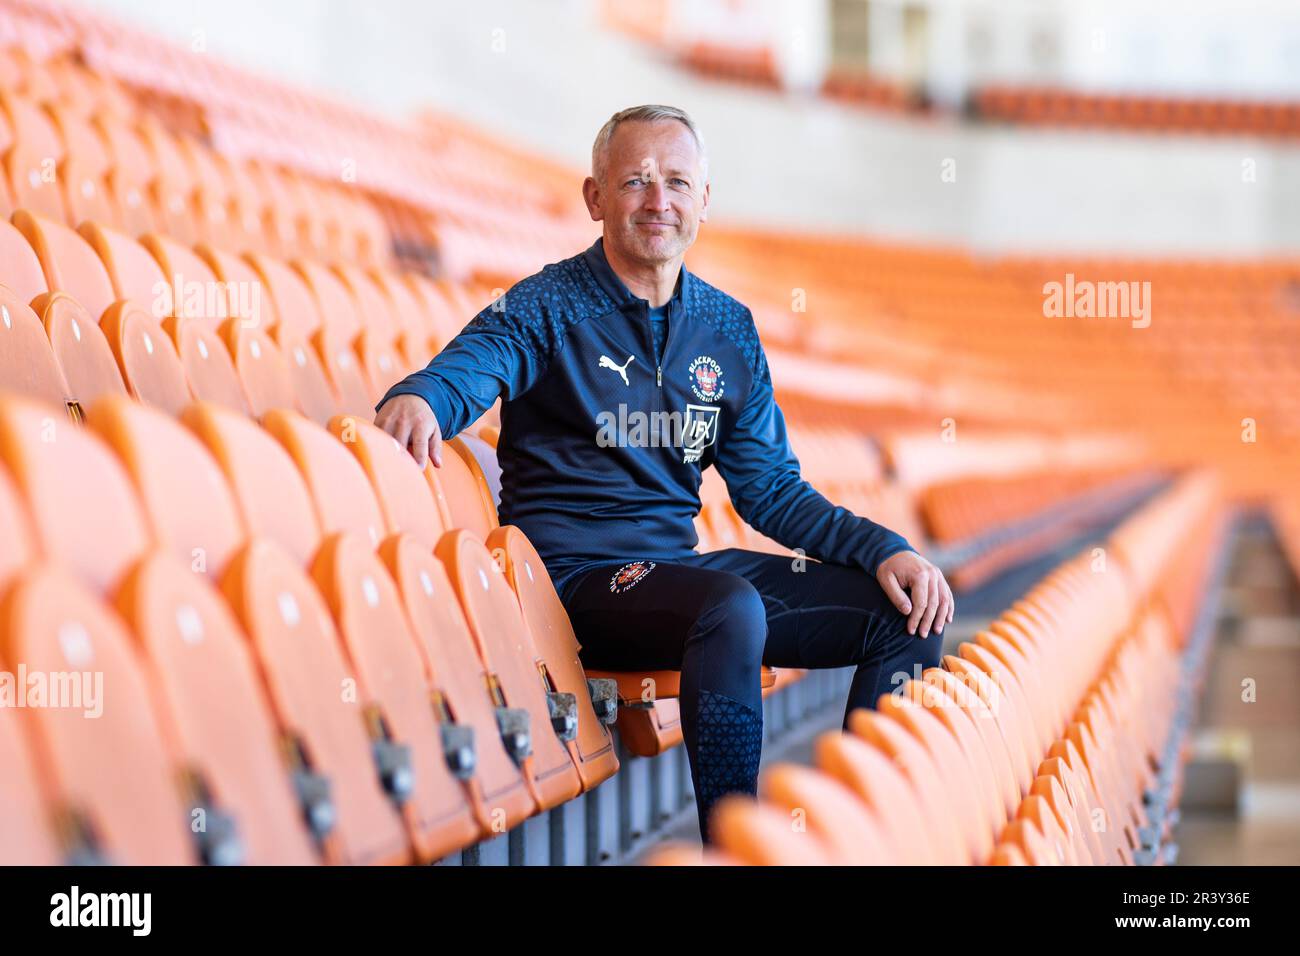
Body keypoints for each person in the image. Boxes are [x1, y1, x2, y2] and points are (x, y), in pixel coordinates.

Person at [374, 105, 954, 843]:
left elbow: (770, 490)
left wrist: (883, 549)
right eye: (637, 182)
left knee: (906, 610)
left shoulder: (728, 328)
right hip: (573, 583)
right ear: (595, 198)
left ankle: (875, 843)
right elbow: (473, 365)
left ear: (704, 201)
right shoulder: (547, 305)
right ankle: (735, 850)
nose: (659, 201)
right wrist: (423, 396)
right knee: (730, 605)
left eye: (678, 182)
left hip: (675, 582)